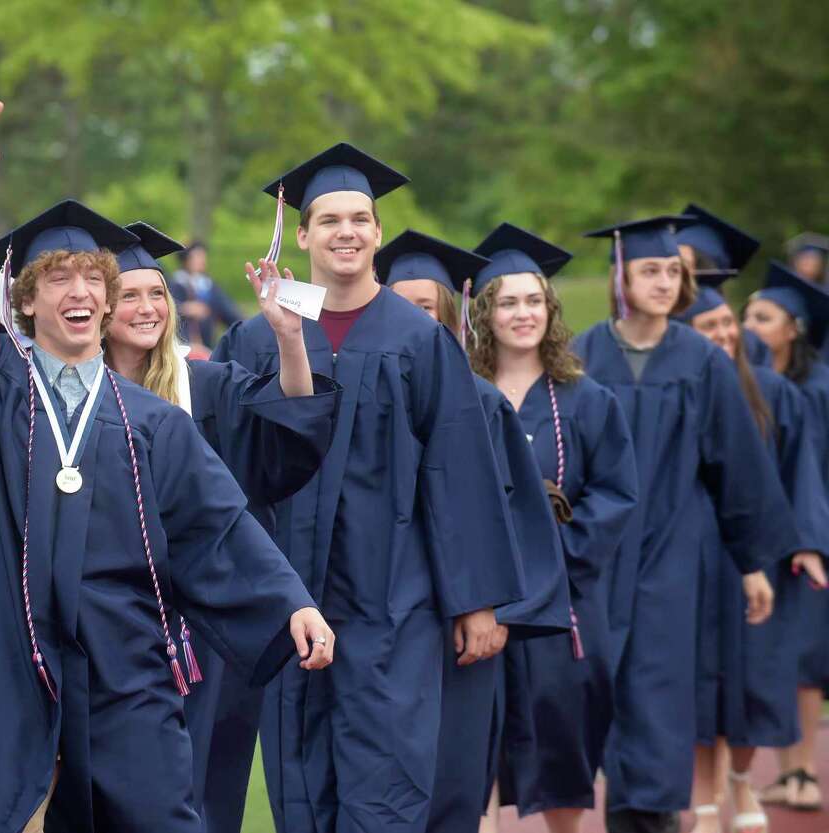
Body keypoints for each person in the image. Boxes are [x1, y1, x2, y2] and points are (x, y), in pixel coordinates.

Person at [0, 83, 335, 833]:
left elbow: (220, 528)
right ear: (26, 300)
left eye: (95, 277)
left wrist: (292, 601)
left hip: (125, 682)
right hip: (4, 674)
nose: (81, 290)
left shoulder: (154, 422)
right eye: (59, 276)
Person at [213, 142, 526, 833]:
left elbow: (458, 470)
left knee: (384, 776)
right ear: (302, 234)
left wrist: (475, 600)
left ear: (378, 232)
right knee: (297, 776)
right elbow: (227, 468)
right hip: (288, 594)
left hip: (392, 597)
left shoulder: (417, 339)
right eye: (329, 220)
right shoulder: (261, 337)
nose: (346, 231)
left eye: (360, 218)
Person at [105, 221, 340, 833]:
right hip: (111, 621)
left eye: (157, 294)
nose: (148, 307)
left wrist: (290, 340)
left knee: (207, 792)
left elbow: (288, 432)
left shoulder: (203, 385)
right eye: (128, 295)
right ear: (99, 307)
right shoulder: (72, 400)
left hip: (204, 631)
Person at [574, 215, 796, 833]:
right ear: (621, 275)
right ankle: (620, 804)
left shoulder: (701, 360)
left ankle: (653, 816)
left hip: (674, 542)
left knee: (659, 683)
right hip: (596, 548)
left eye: (673, 271)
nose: (665, 281)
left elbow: (738, 467)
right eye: (650, 270)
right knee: (596, 683)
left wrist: (752, 562)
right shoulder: (585, 352)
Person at [376, 227, 576, 833]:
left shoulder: (483, 405)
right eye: (397, 307)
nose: (411, 321)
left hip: (459, 623)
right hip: (379, 617)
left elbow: (513, 518)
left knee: (453, 776)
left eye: (426, 308)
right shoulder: (358, 399)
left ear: (451, 317)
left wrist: (488, 603)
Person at [461, 224, 639, 833]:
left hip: (563, 605)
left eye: (534, 300)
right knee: (472, 744)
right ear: (484, 312)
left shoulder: (587, 400)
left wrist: (552, 553)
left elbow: (616, 494)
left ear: (551, 308)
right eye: (507, 301)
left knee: (564, 740)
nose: (523, 313)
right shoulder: (463, 394)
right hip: (479, 600)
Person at [674, 267, 829, 832]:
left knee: (754, 681)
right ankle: (706, 797)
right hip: (689, 554)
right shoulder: (676, 387)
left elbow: (800, 473)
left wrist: (808, 544)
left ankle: (740, 781)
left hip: (755, 555)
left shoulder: (774, 392)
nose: (722, 334)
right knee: (698, 679)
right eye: (707, 324)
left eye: (726, 322)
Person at [742, 262, 829, 812]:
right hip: (771, 534)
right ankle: (794, 773)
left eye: (763, 316)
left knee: (800, 656)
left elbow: (810, 471)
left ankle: (802, 772)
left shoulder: (814, 390)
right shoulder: (760, 384)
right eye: (746, 313)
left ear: (792, 328)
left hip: (802, 537)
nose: (748, 324)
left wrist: (808, 538)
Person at [170, 240, 242, 352]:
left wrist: (246, 326)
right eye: (197, 256)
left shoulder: (210, 286)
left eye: (203, 256)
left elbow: (230, 312)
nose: (202, 260)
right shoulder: (175, 284)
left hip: (206, 346)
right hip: (181, 347)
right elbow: (165, 308)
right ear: (185, 259)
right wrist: (184, 308)